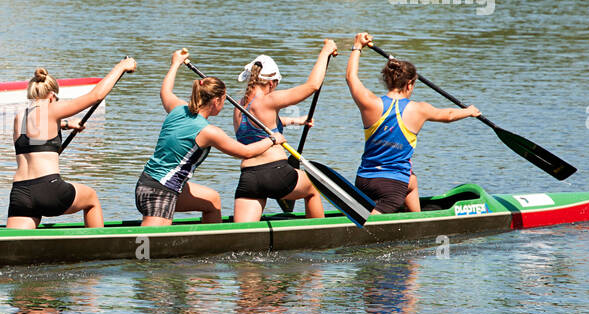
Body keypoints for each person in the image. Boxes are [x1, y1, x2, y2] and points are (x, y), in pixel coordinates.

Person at [135, 49, 285, 226]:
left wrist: (175, 63)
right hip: (161, 192)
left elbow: (165, 92)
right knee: (145, 248)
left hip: (145, 184)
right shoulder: (208, 131)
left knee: (212, 201)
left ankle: (212, 249)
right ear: (216, 102)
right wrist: (273, 139)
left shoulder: (178, 108)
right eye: (223, 100)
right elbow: (246, 152)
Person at [346, 31, 480, 214]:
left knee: (412, 181)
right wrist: (469, 111)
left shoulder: (370, 103)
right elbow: (448, 115)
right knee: (367, 226)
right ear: (409, 84)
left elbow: (351, 78)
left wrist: (357, 47)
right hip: (392, 187)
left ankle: (417, 220)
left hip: (363, 181)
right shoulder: (420, 109)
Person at [7, 58, 136, 230]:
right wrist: (121, 67)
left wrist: (67, 124)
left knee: (15, 244)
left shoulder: (20, 118)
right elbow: (96, 95)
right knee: (91, 198)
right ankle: (98, 248)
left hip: (20, 194)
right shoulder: (52, 109)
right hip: (49, 190)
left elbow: (37, 133)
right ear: (52, 96)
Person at [231, 41, 337, 222]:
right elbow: (312, 86)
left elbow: (263, 127)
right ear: (271, 83)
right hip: (276, 173)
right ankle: (318, 241)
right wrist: (325, 52)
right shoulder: (269, 99)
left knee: (242, 236)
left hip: (249, 179)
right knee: (313, 187)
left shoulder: (239, 106)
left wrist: (295, 120)